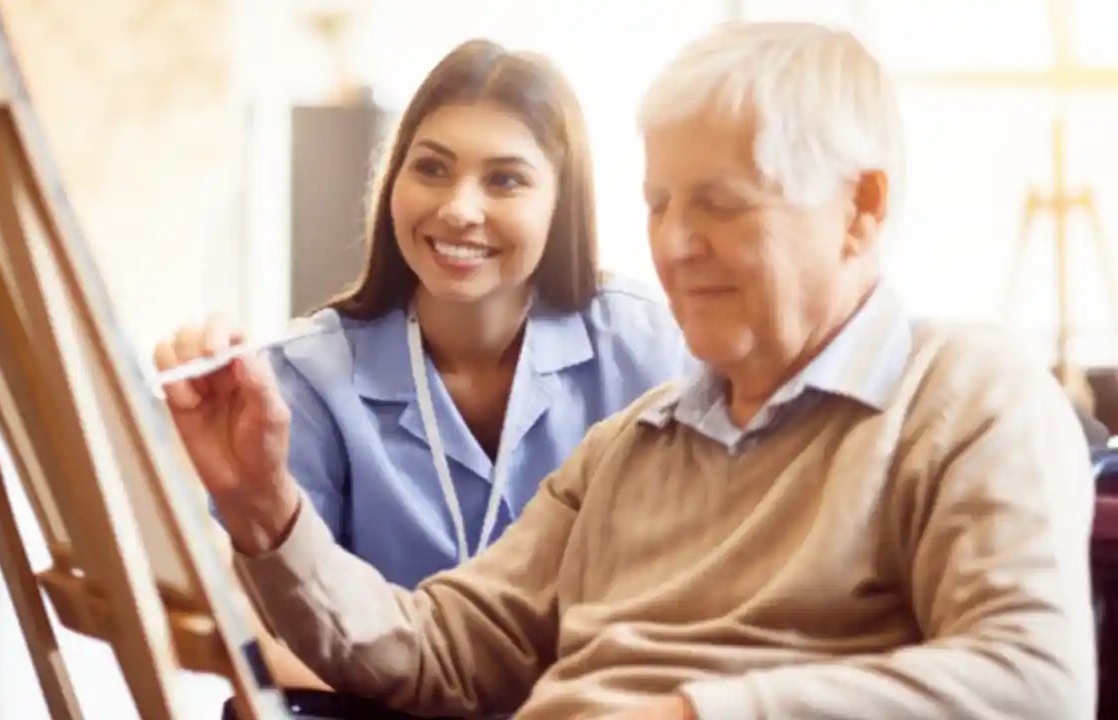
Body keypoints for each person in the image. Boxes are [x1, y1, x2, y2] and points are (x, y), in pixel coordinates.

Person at [185, 22, 1098, 720]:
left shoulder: (970, 395)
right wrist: (267, 512)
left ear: (862, 208)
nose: (674, 244)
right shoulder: (632, 445)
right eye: (659, 203)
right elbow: (441, 650)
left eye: (720, 204)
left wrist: (692, 713)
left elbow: (1029, 681)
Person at [154, 39, 692, 588]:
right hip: (363, 679)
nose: (458, 209)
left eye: (505, 179)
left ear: (562, 203)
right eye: (431, 168)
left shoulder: (650, 348)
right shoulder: (307, 379)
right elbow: (276, 621)